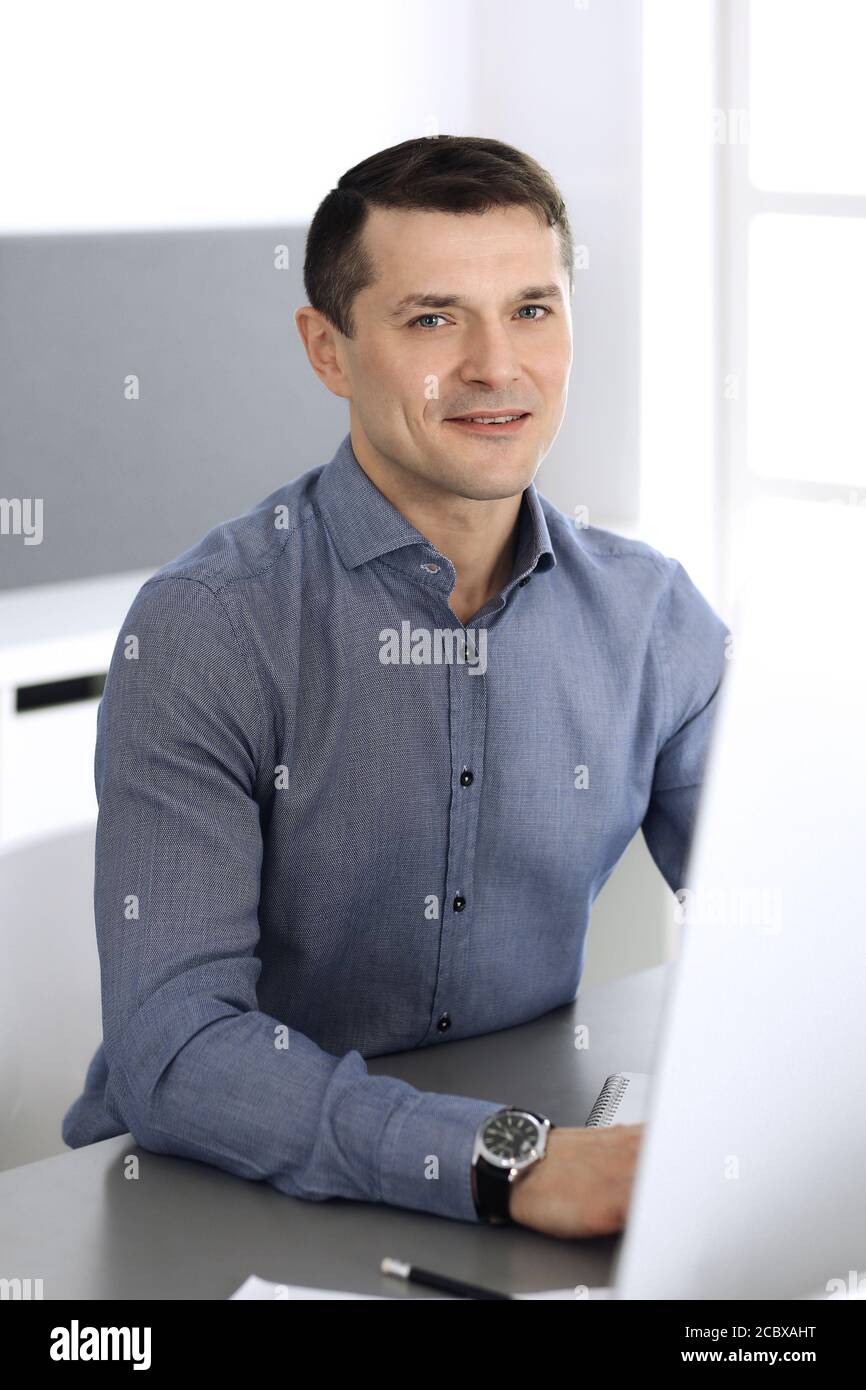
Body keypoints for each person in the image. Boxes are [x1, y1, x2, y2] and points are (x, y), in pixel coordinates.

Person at [63, 135, 729, 1239]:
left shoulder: (653, 619)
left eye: (531, 309)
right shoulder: (206, 628)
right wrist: (499, 1163)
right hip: (207, 1206)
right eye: (431, 319)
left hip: (504, 1192)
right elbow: (173, 1045)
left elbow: (798, 923)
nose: (495, 368)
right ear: (327, 350)